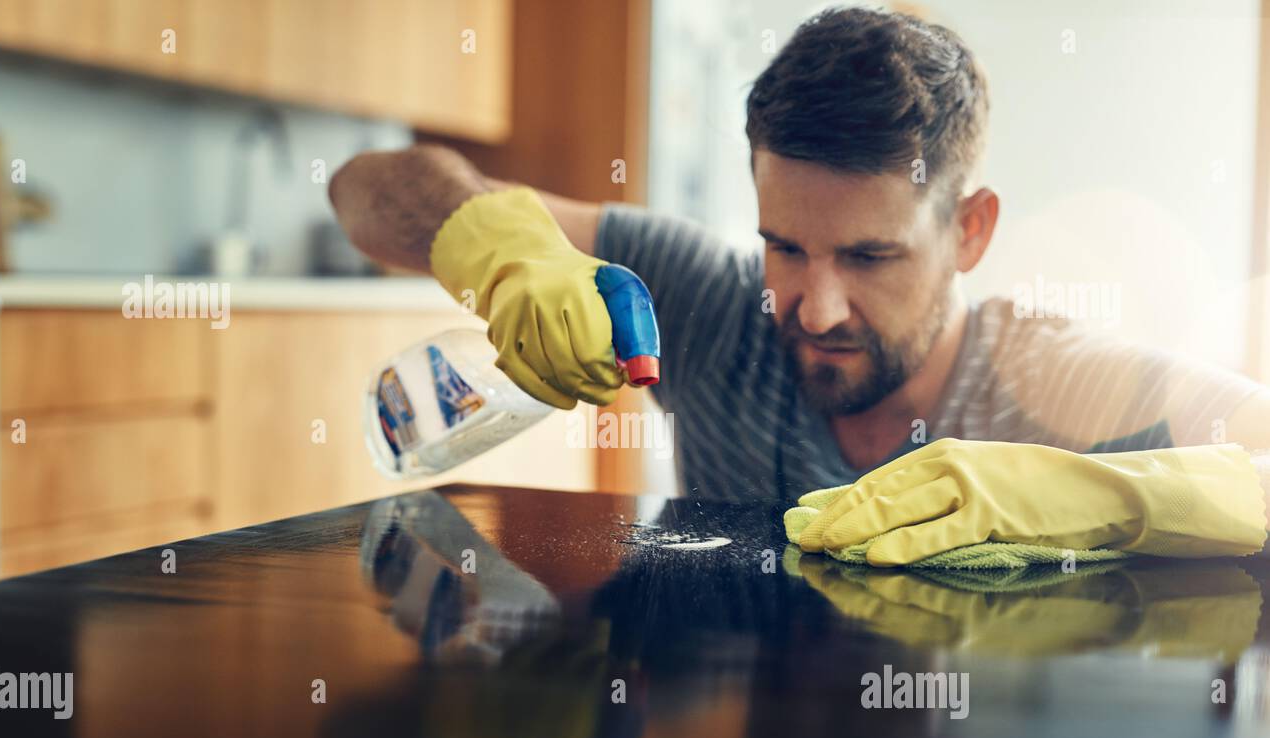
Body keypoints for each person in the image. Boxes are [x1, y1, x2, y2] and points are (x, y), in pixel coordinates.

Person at [329, 6, 1270, 566]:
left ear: (971, 229)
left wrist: (1101, 491)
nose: (814, 310)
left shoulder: (1055, 377)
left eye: (870, 258)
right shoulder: (707, 297)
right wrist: (501, 250)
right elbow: (363, 189)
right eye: (786, 248)